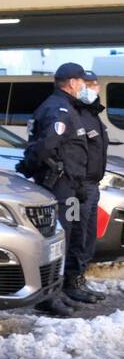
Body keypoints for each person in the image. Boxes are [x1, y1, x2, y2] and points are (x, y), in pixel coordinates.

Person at [21, 63, 101, 308]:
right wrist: (31, 167)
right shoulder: (59, 109)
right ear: (73, 82)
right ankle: (48, 297)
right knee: (57, 240)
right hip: (60, 185)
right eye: (81, 82)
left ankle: (59, 289)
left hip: (72, 186)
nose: (85, 87)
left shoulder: (68, 108)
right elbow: (45, 146)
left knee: (69, 236)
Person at [76, 71, 108, 303]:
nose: (93, 88)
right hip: (80, 184)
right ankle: (71, 283)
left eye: (95, 84)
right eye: (88, 84)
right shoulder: (76, 114)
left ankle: (79, 280)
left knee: (88, 238)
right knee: (78, 236)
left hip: (92, 184)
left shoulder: (92, 113)